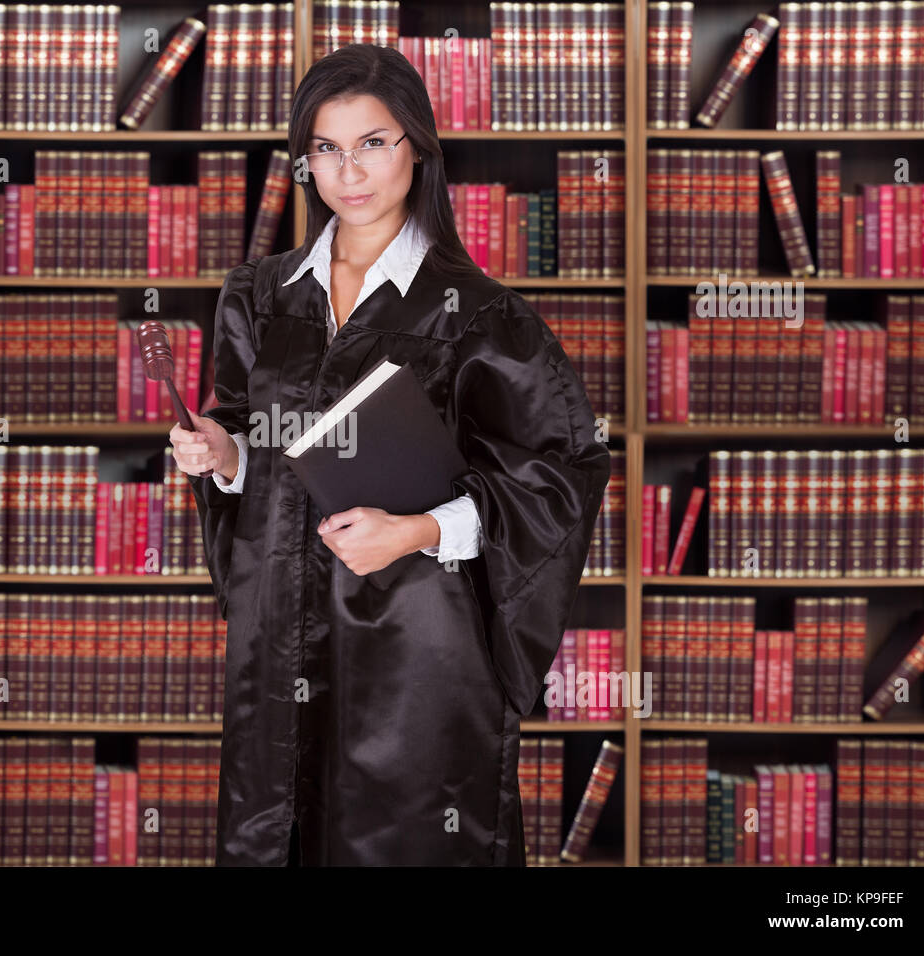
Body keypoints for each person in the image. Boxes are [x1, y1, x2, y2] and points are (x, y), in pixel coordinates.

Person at [169, 44, 611, 866]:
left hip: (415, 645)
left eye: (374, 142)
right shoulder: (260, 297)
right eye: (326, 149)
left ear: (417, 147)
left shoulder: (477, 313)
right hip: (276, 643)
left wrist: (415, 532)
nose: (351, 170)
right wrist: (223, 453)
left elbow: (559, 476)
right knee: (279, 832)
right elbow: (246, 438)